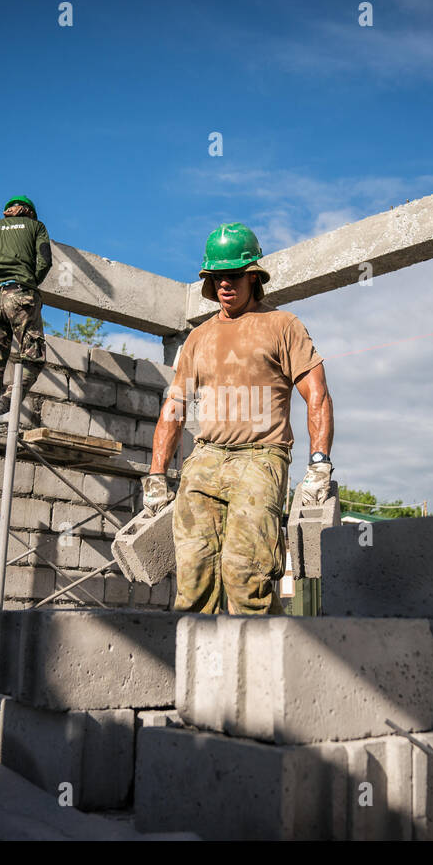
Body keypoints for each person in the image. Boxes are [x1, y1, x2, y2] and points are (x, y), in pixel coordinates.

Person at [142, 223, 335, 615]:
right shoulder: (199, 337)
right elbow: (175, 406)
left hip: (261, 458)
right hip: (206, 458)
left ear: (252, 276)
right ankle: (198, 671)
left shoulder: (283, 326)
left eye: (233, 276)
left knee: (247, 578)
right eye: (217, 277)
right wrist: (156, 474)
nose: (225, 284)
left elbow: (317, 394)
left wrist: (319, 464)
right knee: (193, 581)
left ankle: (259, 669)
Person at [0, 194, 52, 419]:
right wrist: (29, 282)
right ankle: (6, 401)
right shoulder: (36, 226)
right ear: (28, 212)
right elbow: (45, 259)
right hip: (21, 294)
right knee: (34, 357)